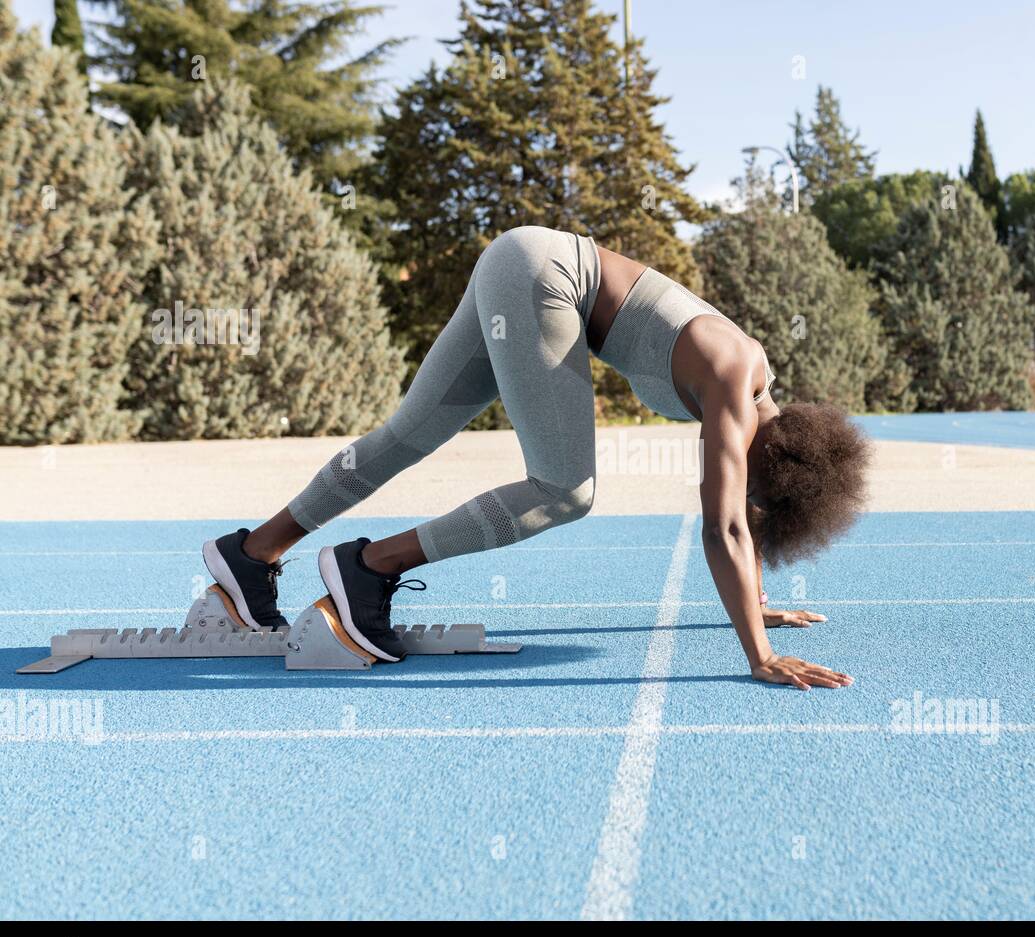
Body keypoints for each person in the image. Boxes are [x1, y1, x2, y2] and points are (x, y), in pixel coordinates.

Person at [203, 226, 869, 689]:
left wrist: (755, 597)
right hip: (541, 279)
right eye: (761, 504)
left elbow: (740, 522)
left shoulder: (755, 392)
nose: (750, 510)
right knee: (564, 488)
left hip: (524, 265)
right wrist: (761, 651)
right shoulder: (733, 376)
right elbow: (723, 524)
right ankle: (368, 566)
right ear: (773, 476)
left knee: (407, 436)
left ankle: (254, 551)